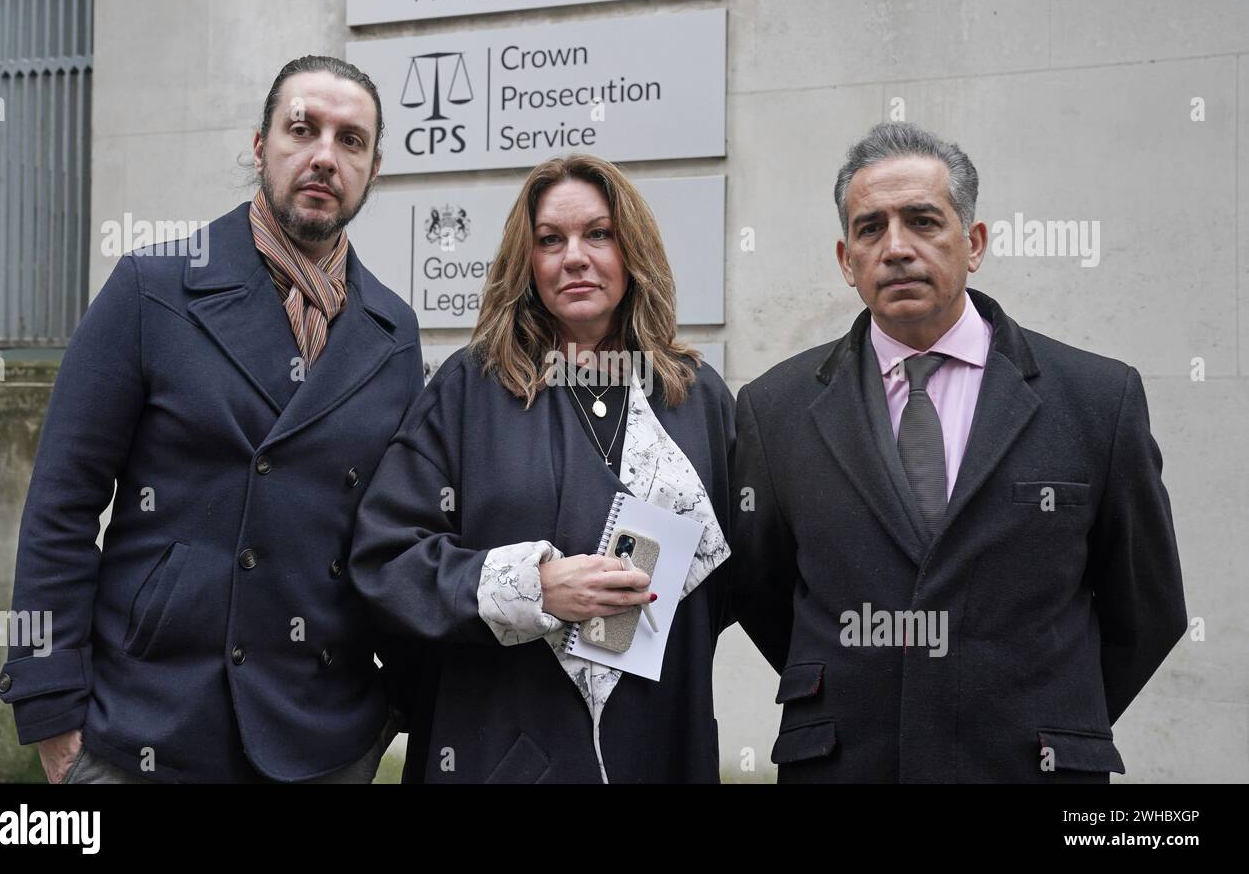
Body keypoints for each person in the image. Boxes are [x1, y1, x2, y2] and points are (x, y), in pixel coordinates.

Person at [0, 56, 423, 783]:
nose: (324, 154)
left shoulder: (393, 332)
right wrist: (52, 714)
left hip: (322, 736)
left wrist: (401, 702)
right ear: (261, 146)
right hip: (150, 728)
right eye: (302, 129)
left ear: (373, 168)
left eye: (351, 141)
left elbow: (397, 535)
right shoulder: (152, 289)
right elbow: (60, 509)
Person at [731, 122, 1187, 783]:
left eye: (922, 221)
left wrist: (1051, 715)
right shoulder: (776, 410)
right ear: (845, 259)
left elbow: (1147, 608)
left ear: (973, 243)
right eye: (870, 229)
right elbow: (762, 591)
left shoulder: (1097, 398)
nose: (895, 248)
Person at [348, 153, 734, 783]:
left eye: (599, 234)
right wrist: (534, 588)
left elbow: (732, 583)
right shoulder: (469, 390)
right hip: (502, 743)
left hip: (658, 740)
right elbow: (386, 560)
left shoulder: (697, 397)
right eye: (550, 240)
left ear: (632, 249)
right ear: (525, 264)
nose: (574, 257)